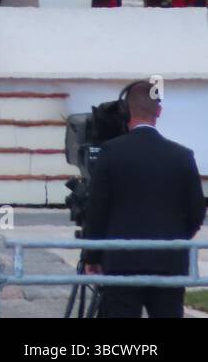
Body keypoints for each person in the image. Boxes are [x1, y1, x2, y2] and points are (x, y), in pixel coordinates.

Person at [82, 81, 206, 319]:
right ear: (158, 111)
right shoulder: (182, 156)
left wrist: (93, 255)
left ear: (126, 111)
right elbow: (196, 212)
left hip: (121, 261)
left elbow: (97, 210)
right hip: (169, 260)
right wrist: (175, 237)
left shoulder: (111, 152)